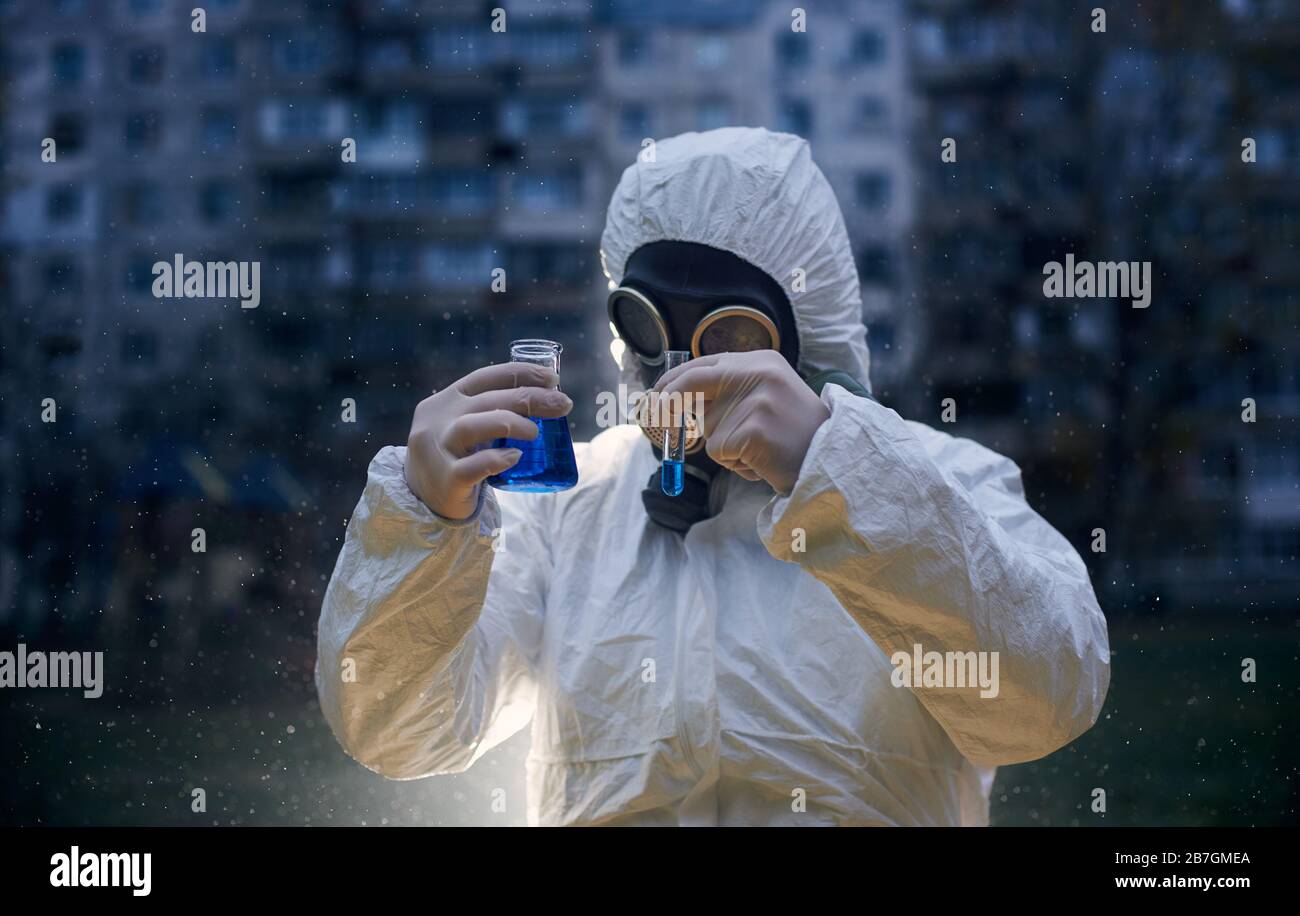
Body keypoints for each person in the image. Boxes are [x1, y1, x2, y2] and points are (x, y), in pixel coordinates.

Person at [315, 127, 1111, 826]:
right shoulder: (567, 508)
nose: (687, 360)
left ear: (807, 333)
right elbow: (401, 731)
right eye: (651, 321)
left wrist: (837, 472)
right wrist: (424, 528)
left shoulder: (940, 484)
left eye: (731, 330)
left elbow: (1045, 702)